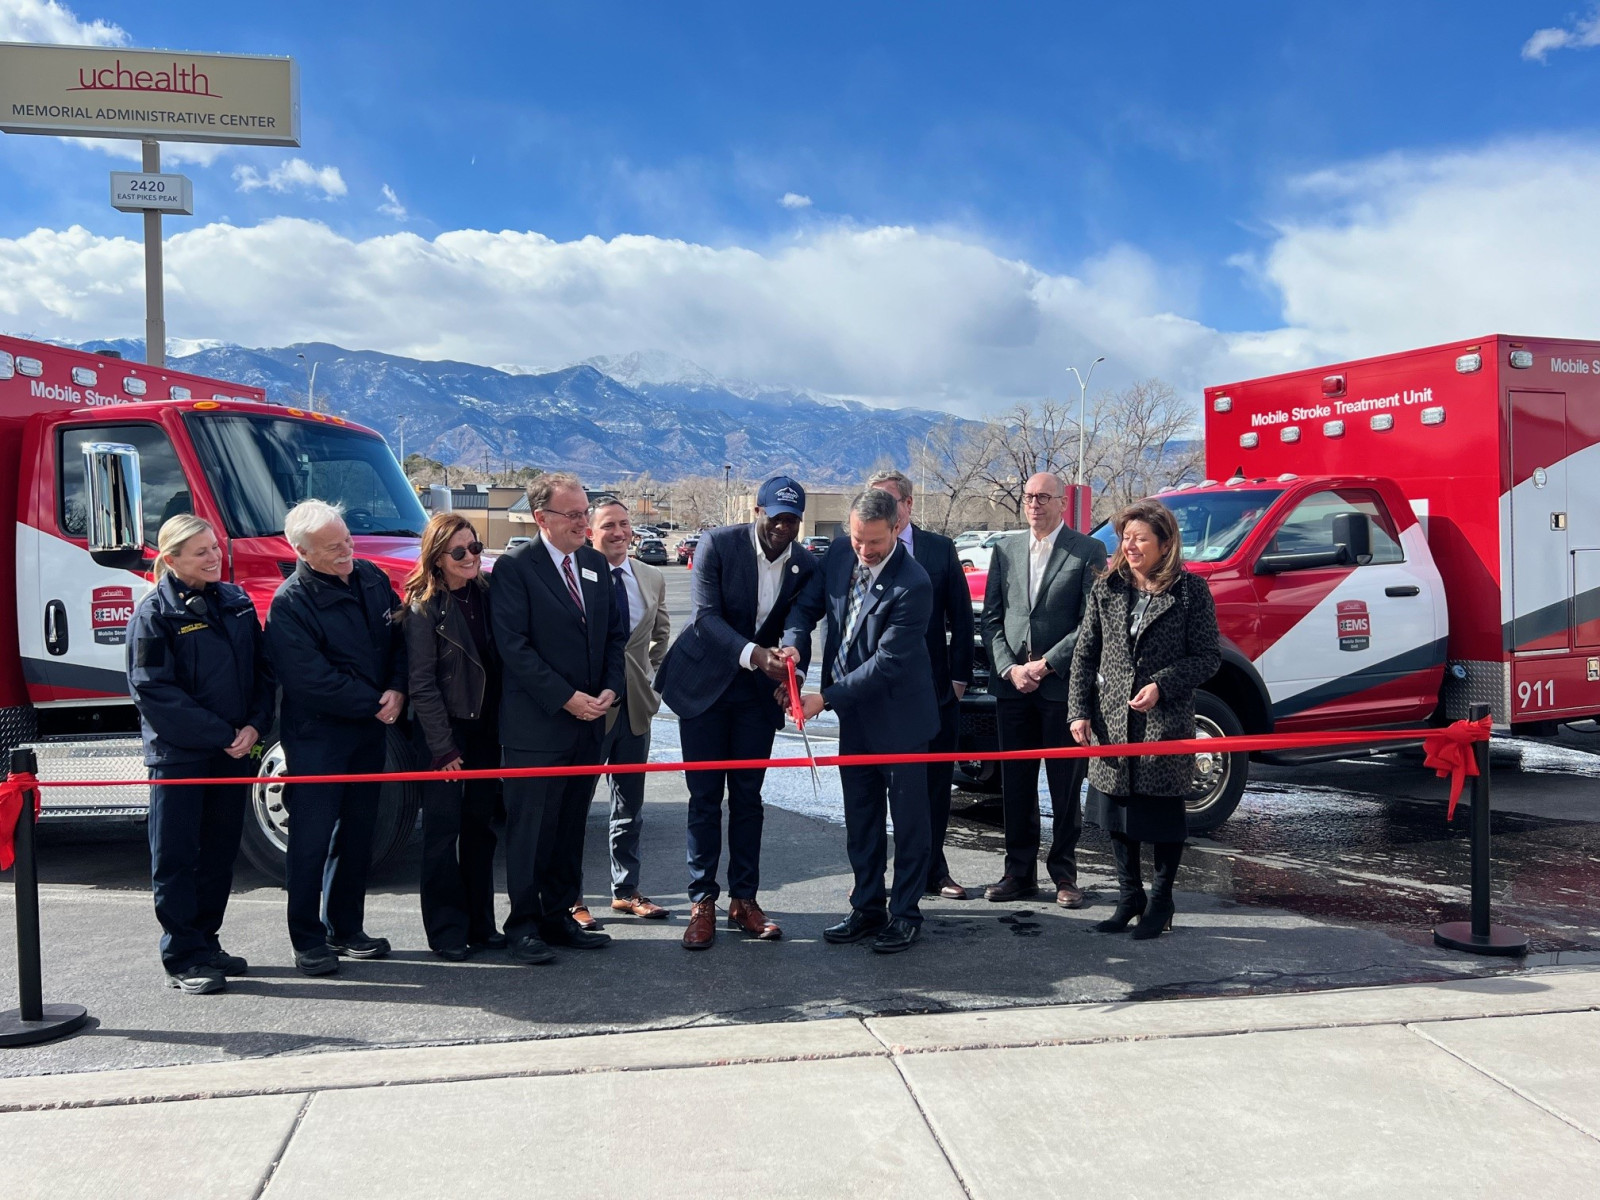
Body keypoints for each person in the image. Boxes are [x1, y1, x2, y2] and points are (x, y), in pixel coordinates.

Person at [654, 475, 819, 950]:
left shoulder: (805, 565)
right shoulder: (717, 544)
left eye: (792, 521)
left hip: (755, 698)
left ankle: (743, 900)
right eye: (776, 518)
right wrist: (756, 655)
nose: (783, 529)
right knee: (705, 798)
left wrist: (791, 669)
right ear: (757, 512)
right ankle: (702, 901)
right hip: (704, 685)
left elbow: (800, 623)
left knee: (748, 798)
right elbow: (705, 616)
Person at [782, 488, 939, 953]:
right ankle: (867, 905)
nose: (864, 551)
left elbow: (888, 662)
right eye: (857, 541)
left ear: (896, 529)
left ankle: (906, 913)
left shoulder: (914, 583)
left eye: (874, 542)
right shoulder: (837, 556)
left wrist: (825, 699)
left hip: (900, 721)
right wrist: (794, 642)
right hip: (857, 721)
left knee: (909, 824)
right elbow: (807, 607)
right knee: (861, 818)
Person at [126, 515, 274, 994]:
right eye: (201, 553)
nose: (214, 558)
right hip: (180, 757)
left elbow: (261, 672)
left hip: (232, 750)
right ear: (171, 560)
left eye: (214, 548)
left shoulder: (236, 603)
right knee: (176, 857)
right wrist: (221, 733)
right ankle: (182, 955)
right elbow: (153, 691)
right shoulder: (153, 615)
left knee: (219, 853)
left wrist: (254, 725)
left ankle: (206, 942)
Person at [265, 499, 407, 976]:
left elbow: (401, 639)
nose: (347, 550)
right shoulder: (290, 605)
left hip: (370, 732)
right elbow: (311, 680)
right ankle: (307, 938)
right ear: (303, 552)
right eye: (333, 547)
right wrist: (373, 700)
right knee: (310, 840)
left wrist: (398, 689)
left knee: (360, 833)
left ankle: (346, 927)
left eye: (347, 539)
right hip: (318, 738)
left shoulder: (370, 577)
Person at [490, 472, 627, 964]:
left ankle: (559, 915)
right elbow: (514, 648)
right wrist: (567, 697)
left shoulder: (593, 564)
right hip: (538, 726)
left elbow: (615, 636)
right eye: (573, 515)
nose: (583, 522)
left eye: (585, 511)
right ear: (540, 518)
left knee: (570, 827)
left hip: (588, 723)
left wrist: (611, 687)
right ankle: (523, 925)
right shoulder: (516, 568)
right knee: (531, 831)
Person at [1069, 499, 1221, 939]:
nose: (1129, 546)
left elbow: (1208, 658)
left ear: (1164, 543)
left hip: (1164, 722)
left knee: (1161, 816)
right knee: (1116, 814)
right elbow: (1085, 654)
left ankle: (1161, 901)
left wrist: (1162, 683)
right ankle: (1128, 896)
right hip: (1112, 720)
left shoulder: (1190, 591)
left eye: (1140, 538)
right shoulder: (1107, 588)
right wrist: (1078, 711)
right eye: (1125, 538)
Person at [980, 471, 1107, 906]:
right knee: (1015, 786)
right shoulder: (1005, 549)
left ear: (1061, 503)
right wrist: (1009, 669)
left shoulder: (1088, 550)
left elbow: (1092, 622)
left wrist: (1046, 664)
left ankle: (1065, 876)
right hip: (1013, 689)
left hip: (1061, 690)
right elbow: (991, 621)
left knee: (1065, 787)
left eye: (1042, 497)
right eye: (1028, 497)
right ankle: (1018, 874)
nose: (1033, 504)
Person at [867, 469, 974, 900]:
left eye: (887, 501)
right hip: (874, 690)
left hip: (933, 691)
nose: (878, 509)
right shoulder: (860, 548)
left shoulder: (938, 549)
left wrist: (958, 679)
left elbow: (962, 618)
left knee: (933, 785)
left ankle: (934, 868)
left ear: (908, 506)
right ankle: (880, 879)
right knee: (878, 788)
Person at [403, 513, 503, 961]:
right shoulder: (423, 606)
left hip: (485, 728)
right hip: (444, 733)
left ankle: (482, 924)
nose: (470, 557)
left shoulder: (488, 593)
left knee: (480, 829)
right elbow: (421, 684)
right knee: (442, 834)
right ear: (437, 558)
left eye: (475, 547)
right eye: (459, 551)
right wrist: (443, 748)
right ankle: (446, 931)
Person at [575, 497, 672, 927]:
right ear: (590, 532)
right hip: (590, 709)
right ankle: (570, 898)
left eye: (625, 524)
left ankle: (625, 889)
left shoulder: (650, 576)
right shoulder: (575, 575)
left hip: (636, 710)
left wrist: (649, 678)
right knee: (574, 809)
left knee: (629, 806)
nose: (619, 532)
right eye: (609, 525)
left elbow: (662, 633)